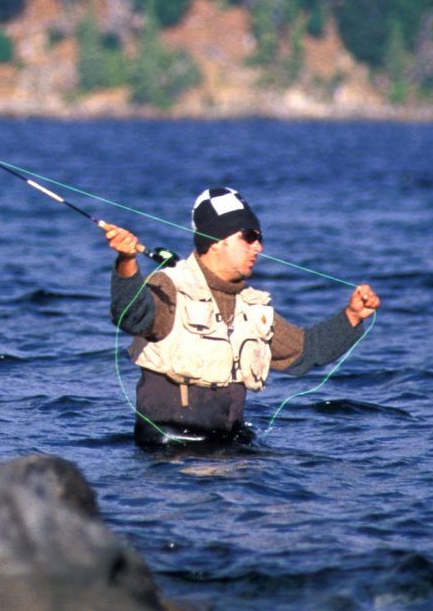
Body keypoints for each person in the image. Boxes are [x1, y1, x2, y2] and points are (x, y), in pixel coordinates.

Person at [101, 185, 379, 448]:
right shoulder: (168, 287)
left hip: (231, 455)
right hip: (169, 461)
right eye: (249, 237)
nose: (258, 247)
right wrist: (126, 263)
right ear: (216, 241)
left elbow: (307, 352)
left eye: (260, 238)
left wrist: (352, 316)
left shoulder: (252, 308)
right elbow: (130, 316)